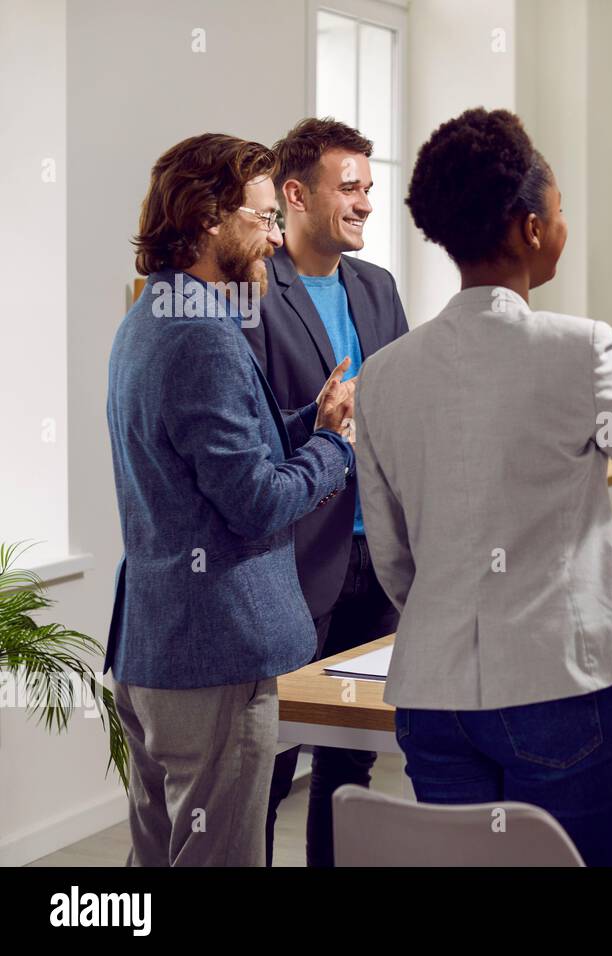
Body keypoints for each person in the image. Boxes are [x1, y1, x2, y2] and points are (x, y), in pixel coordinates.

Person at [351, 107, 612, 867]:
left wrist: (453, 615)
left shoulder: (385, 375)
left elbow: (394, 556)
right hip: (557, 691)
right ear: (531, 230)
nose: (565, 226)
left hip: (432, 697)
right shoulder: (575, 347)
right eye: (561, 211)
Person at [105, 133, 355, 866]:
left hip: (155, 647)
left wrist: (310, 421)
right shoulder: (205, 335)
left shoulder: (151, 316)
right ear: (210, 217)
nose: (278, 240)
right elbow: (252, 500)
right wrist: (336, 450)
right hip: (215, 654)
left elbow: (205, 459)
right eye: (265, 217)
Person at [245, 117, 409, 868]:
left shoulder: (378, 288)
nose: (366, 202)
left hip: (374, 563)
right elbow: (248, 439)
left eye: (370, 188)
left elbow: (400, 420)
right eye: (350, 187)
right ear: (295, 195)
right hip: (288, 564)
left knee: (351, 763)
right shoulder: (253, 289)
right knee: (268, 764)